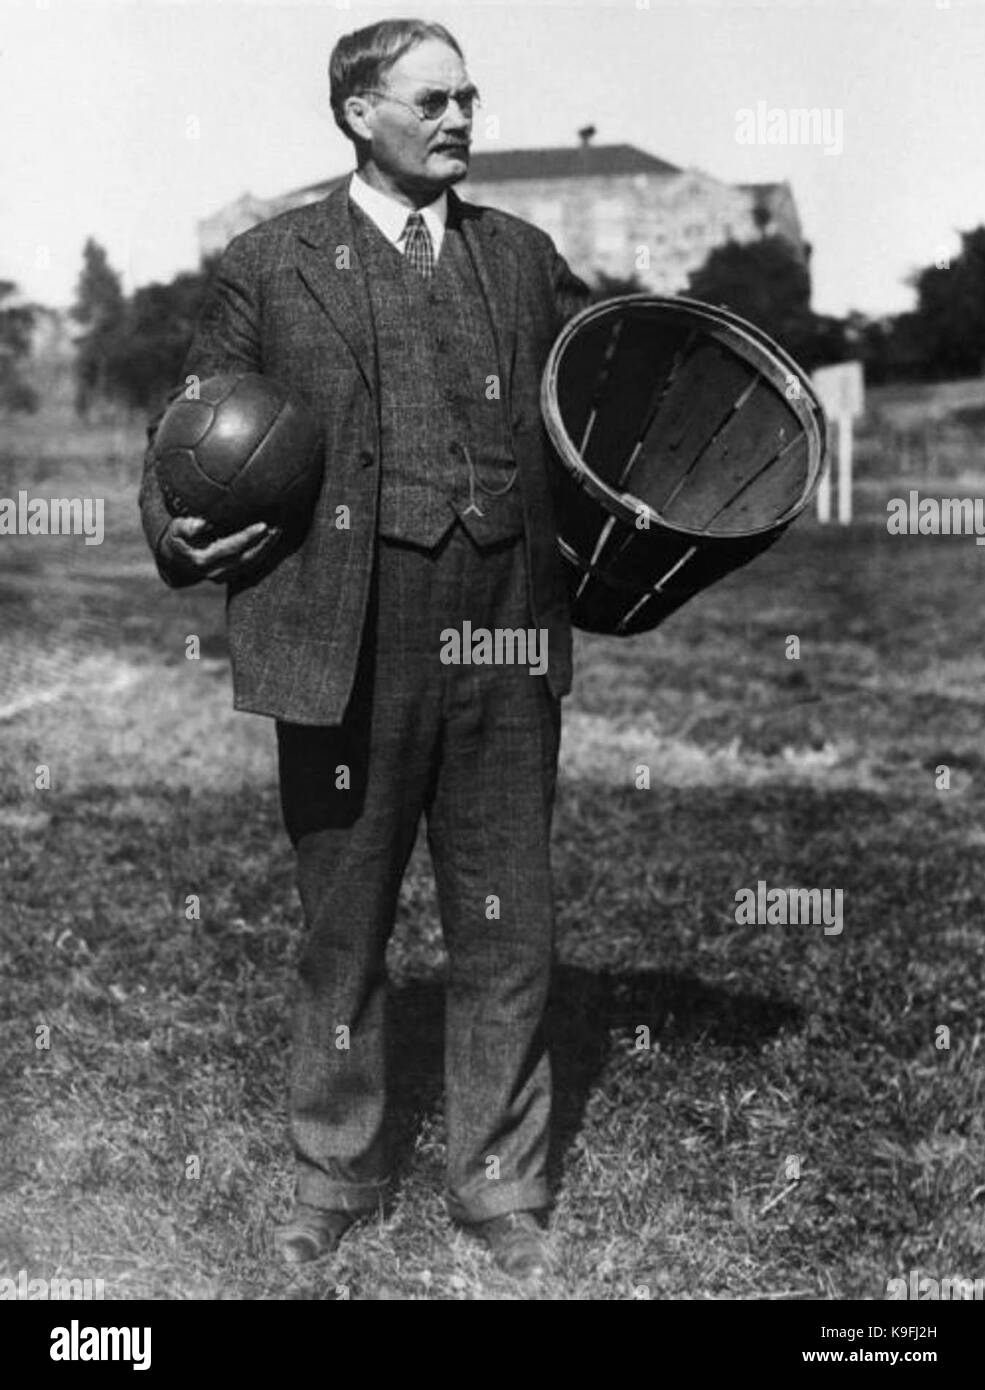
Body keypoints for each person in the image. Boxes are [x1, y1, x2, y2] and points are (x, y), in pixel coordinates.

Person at [138, 17, 591, 1287]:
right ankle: (332, 1173)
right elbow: (191, 422)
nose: (459, 118)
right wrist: (173, 531)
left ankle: (500, 1182)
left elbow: (587, 415)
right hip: (346, 629)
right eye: (432, 99)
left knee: (509, 917)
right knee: (345, 924)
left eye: (469, 98)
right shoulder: (271, 262)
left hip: (504, 619)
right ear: (357, 113)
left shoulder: (523, 257)